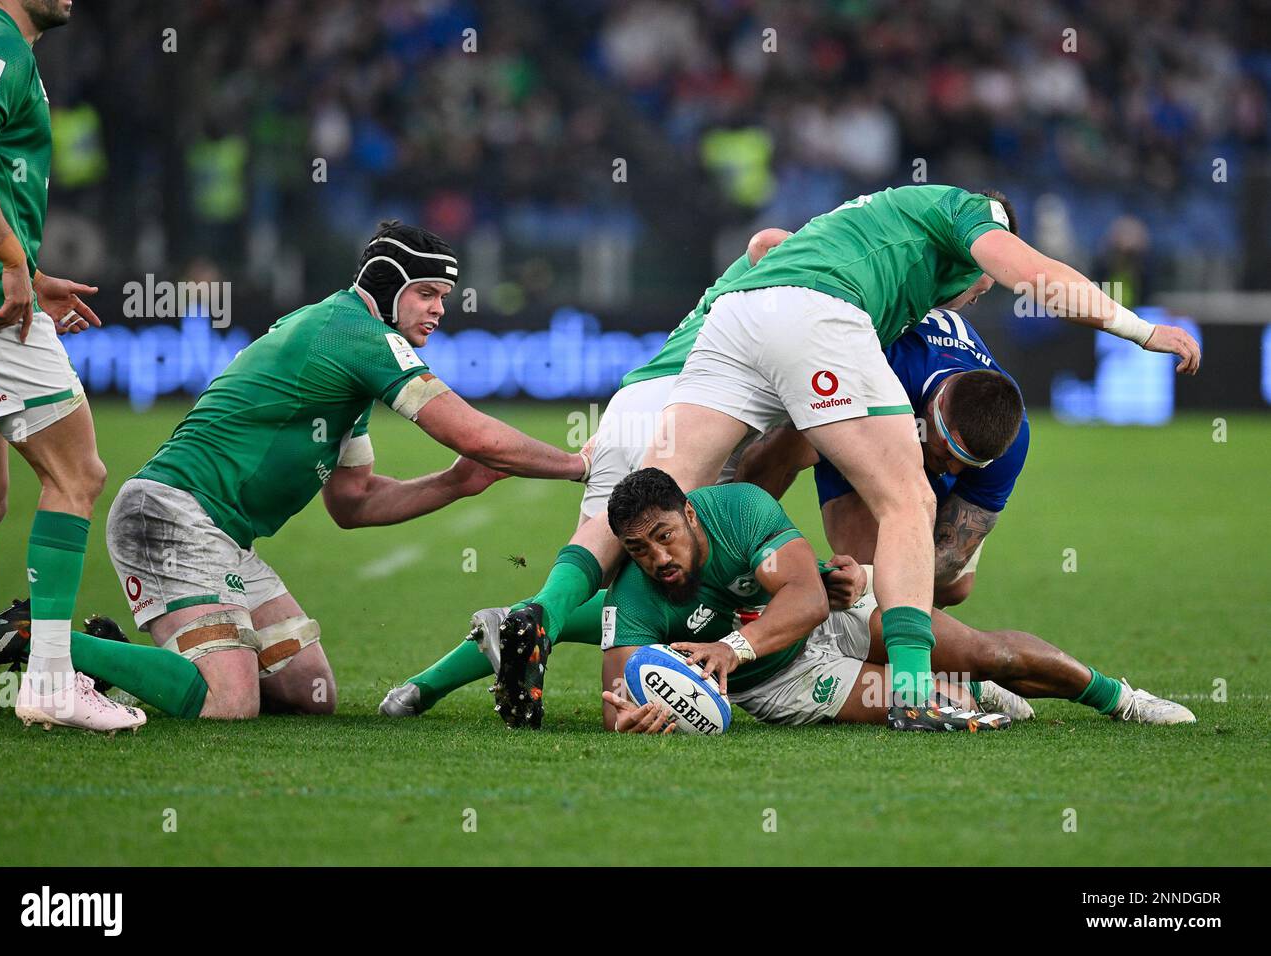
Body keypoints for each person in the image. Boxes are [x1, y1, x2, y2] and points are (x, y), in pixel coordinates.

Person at [500, 184, 1201, 730]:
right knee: (910, 500)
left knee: (656, 490)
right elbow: (1039, 277)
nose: (978, 290)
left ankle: (542, 613)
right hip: (814, 314)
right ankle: (917, 693)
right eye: (980, 281)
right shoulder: (966, 213)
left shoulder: (876, 226)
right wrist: (1140, 329)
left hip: (739, 313)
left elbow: (769, 240)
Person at [102, 221, 593, 720]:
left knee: (309, 692)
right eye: (426, 293)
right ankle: (46, 642)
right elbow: (476, 436)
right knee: (229, 703)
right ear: (386, 284)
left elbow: (352, 503)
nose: (440, 309)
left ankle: (118, 662)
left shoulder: (347, 353)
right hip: (170, 517)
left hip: (220, 538)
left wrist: (455, 483)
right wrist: (579, 465)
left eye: (444, 296)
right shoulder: (359, 334)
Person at [379, 228, 792, 726]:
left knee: (614, 598)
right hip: (697, 409)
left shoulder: (724, 299)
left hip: (631, 410)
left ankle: (428, 684)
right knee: (665, 596)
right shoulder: (820, 288)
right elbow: (768, 241)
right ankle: (534, 632)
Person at [599, 468, 1195, 733]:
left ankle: (1121, 699)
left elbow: (807, 597)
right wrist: (632, 715)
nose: (658, 558)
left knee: (985, 651)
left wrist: (730, 648)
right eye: (640, 548)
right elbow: (617, 689)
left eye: (665, 536)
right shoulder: (635, 595)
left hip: (832, 614)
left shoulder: (737, 509)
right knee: (932, 708)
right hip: (779, 681)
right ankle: (971, 691)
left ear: (692, 514)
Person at [0, 0, 143, 731]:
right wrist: (12, 264)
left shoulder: (6, 46)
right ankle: (48, 680)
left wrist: (30, 270)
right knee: (79, 474)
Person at [736, 307, 1028, 607]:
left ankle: (887, 627)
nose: (954, 469)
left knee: (951, 588)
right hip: (868, 419)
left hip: (914, 431)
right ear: (932, 410)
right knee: (871, 564)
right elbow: (774, 456)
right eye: (949, 451)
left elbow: (951, 554)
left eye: (971, 464)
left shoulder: (1013, 438)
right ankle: (732, 563)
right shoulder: (883, 373)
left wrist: (867, 578)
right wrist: (738, 538)